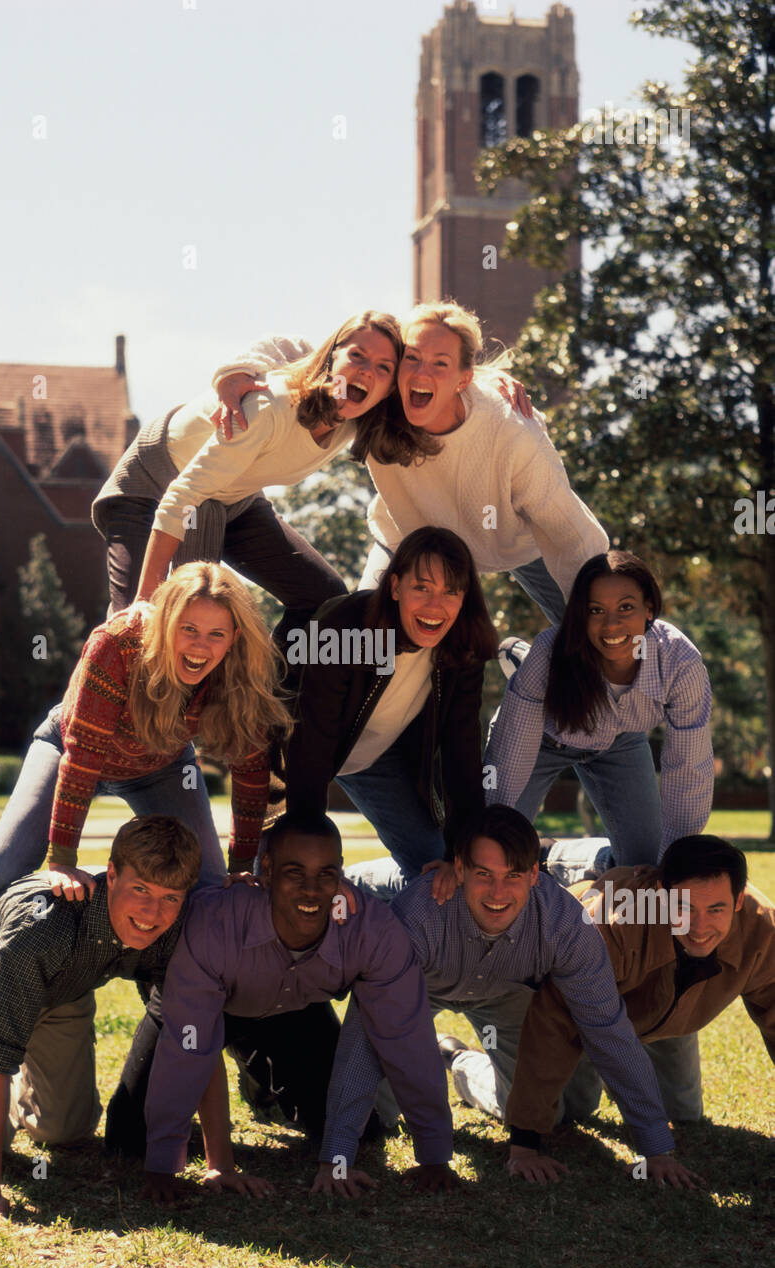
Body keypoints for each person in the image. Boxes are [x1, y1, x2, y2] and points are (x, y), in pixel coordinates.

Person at [328, 806, 704, 1190]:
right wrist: (340, 1158)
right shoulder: (419, 915)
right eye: (483, 875)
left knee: (561, 1111)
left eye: (513, 876)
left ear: (534, 876)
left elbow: (608, 1031)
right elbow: (365, 1032)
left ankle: (459, 1060)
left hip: (503, 995)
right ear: (458, 870)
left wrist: (656, 1150)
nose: (498, 893)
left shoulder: (566, 926)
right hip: (419, 991)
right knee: (377, 1120)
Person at [0, 817, 248, 1222]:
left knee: (66, 1132)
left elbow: (194, 1036)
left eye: (170, 897)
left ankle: (16, 1071)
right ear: (111, 875)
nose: (151, 912)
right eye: (140, 889)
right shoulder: (41, 927)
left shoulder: (178, 926)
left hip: (64, 989)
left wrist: (221, 1164)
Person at [212, 299, 609, 624]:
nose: (421, 373)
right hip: (406, 533)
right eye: (412, 358)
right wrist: (235, 372)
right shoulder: (378, 397)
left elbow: (572, 532)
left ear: (464, 379)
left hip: (518, 542)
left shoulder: (511, 430)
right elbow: (305, 351)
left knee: (595, 636)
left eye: (440, 363)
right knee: (361, 633)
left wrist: (609, 614)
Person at [141, 813, 456, 1204]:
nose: (311, 890)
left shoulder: (371, 930)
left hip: (293, 1011)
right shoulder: (214, 922)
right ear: (267, 870)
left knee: (367, 1132)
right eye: (295, 873)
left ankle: (260, 1086)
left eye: (326, 874)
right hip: (207, 1007)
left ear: (340, 875)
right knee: (131, 1137)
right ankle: (233, 1079)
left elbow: (405, 1038)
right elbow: (189, 1049)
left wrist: (434, 1155)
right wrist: (166, 1165)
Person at [0, 562, 289, 900]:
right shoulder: (117, 644)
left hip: (161, 766)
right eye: (188, 629)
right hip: (69, 747)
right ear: (165, 622)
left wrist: (240, 864)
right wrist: (62, 859)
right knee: (2, 870)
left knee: (207, 885)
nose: (199, 647)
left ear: (234, 637)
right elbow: (83, 755)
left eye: (216, 635)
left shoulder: (239, 675)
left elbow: (250, 769)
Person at [93, 313, 424, 629]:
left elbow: (288, 346)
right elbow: (182, 495)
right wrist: (145, 598)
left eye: (383, 368)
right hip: (153, 485)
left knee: (323, 599)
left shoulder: (357, 418)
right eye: (357, 356)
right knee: (141, 625)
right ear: (331, 357)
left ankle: (270, 688)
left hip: (232, 498)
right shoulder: (271, 406)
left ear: (389, 389)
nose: (367, 372)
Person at [502, 834, 775, 1140]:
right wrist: (525, 1135)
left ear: (738, 901)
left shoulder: (762, 928)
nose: (699, 928)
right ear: (660, 894)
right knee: (569, 1113)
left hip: (667, 1018)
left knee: (683, 1115)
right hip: (586, 1017)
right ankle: (464, 1062)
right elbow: (553, 1018)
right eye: (684, 908)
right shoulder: (613, 924)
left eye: (715, 910)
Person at [285, 527, 497, 881]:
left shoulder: (464, 647)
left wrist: (459, 853)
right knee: (289, 873)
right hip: (294, 753)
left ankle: (365, 885)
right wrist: (308, 843)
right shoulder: (344, 627)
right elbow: (312, 739)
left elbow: (461, 751)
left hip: (377, 757)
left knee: (437, 870)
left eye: (450, 592)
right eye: (422, 588)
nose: (435, 606)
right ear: (396, 586)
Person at [485, 550, 714, 868]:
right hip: (543, 735)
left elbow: (688, 769)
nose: (612, 624)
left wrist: (676, 863)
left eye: (626, 608)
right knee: (499, 850)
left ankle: (558, 859)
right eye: (596, 610)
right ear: (581, 615)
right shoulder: (550, 653)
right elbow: (507, 760)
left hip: (620, 740)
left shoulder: (679, 663)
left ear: (650, 609)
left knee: (643, 865)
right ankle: (524, 672)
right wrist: (491, 831)